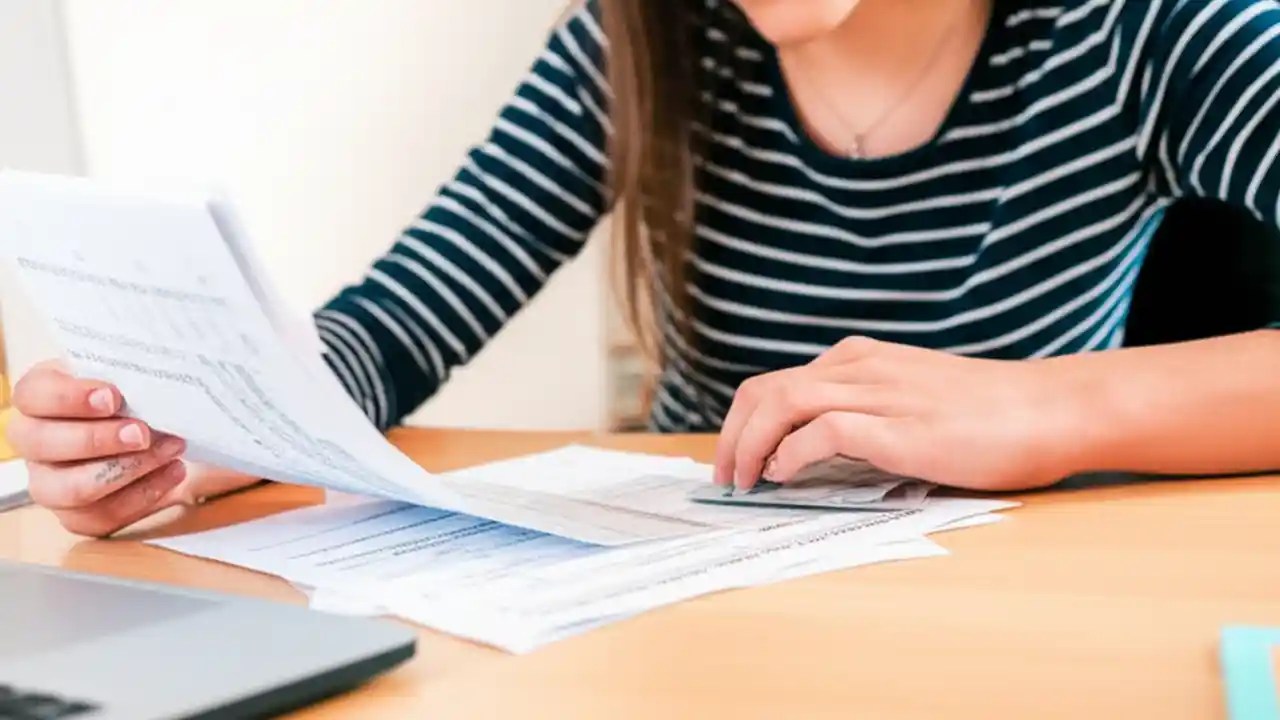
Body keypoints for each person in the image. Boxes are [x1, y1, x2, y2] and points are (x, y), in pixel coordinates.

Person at [8, 0, 1280, 537]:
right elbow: (401, 319)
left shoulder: (1142, 31)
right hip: (695, 606)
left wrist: (1056, 403)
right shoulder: (642, 43)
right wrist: (213, 424)